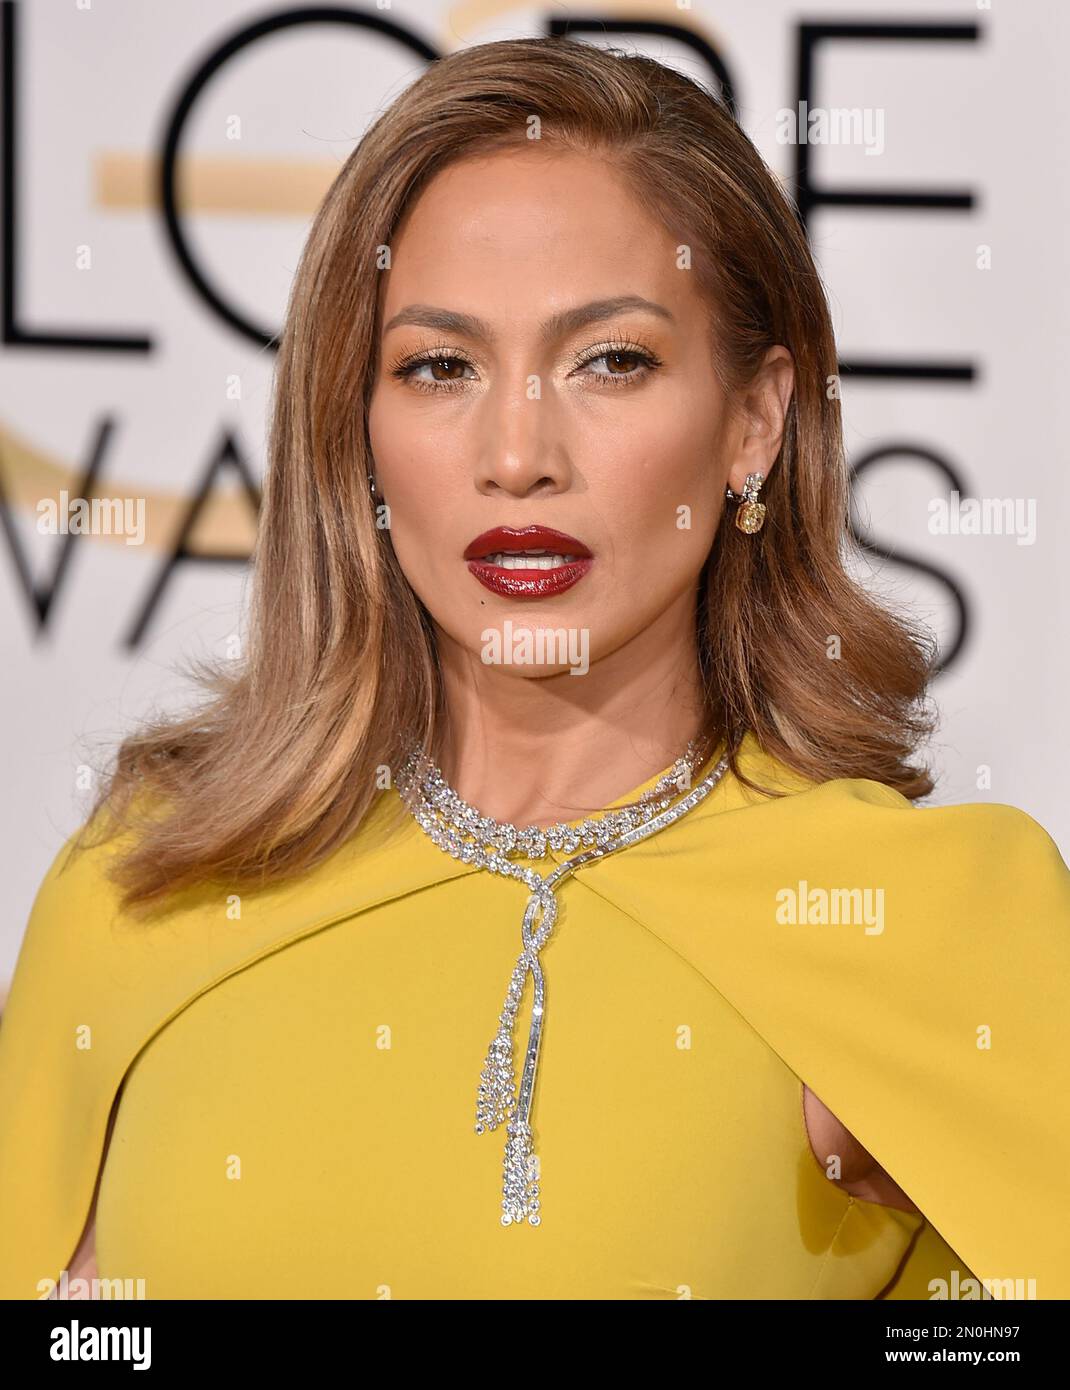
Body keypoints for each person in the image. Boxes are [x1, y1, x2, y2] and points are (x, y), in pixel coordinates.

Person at [2, 36, 1068, 1301]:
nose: (517, 454)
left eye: (609, 359)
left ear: (753, 420)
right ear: (353, 422)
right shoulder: (148, 884)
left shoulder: (937, 922)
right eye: (438, 365)